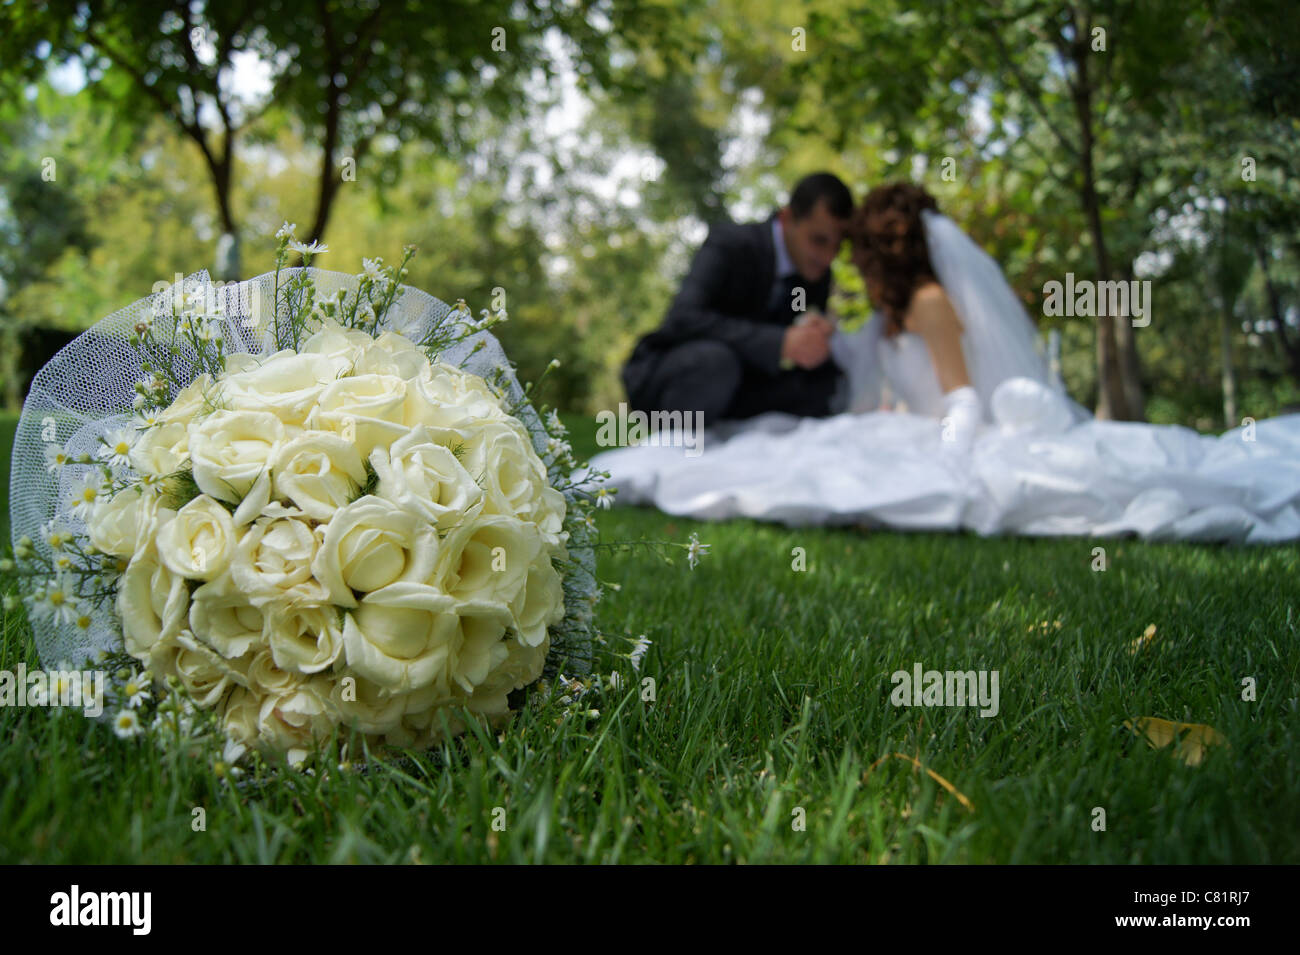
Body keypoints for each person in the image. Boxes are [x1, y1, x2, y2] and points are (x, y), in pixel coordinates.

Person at [589, 182, 1300, 543]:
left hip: (947, 434)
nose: (843, 263)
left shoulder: (928, 302)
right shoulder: (891, 309)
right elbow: (849, 361)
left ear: (882, 254)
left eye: (856, 251)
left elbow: (962, 401)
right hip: (684, 370)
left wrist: (946, 461)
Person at [620, 172, 853, 425]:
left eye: (837, 247)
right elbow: (683, 318)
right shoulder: (732, 244)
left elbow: (798, 313)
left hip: (745, 383)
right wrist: (779, 342)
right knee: (714, 363)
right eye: (819, 241)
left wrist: (814, 334)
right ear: (787, 219)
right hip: (682, 373)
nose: (828, 257)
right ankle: (678, 447)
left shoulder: (814, 276)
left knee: (828, 379)